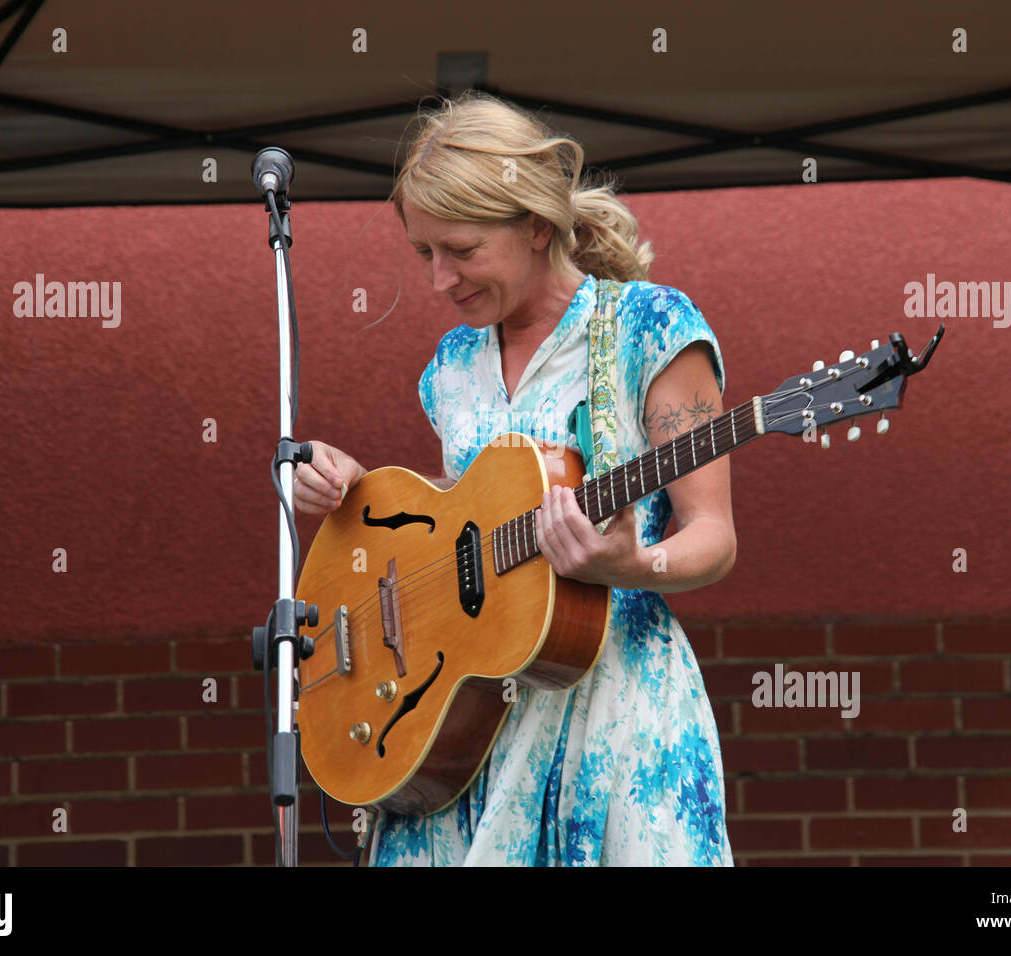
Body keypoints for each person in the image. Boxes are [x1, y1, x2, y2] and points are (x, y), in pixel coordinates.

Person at [292, 91, 737, 866]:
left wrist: (635, 565)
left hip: (615, 712)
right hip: (464, 724)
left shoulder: (650, 329)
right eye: (424, 253)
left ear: (536, 224)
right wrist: (357, 496)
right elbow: (463, 509)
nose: (439, 280)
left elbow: (714, 536)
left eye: (460, 251)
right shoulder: (453, 367)